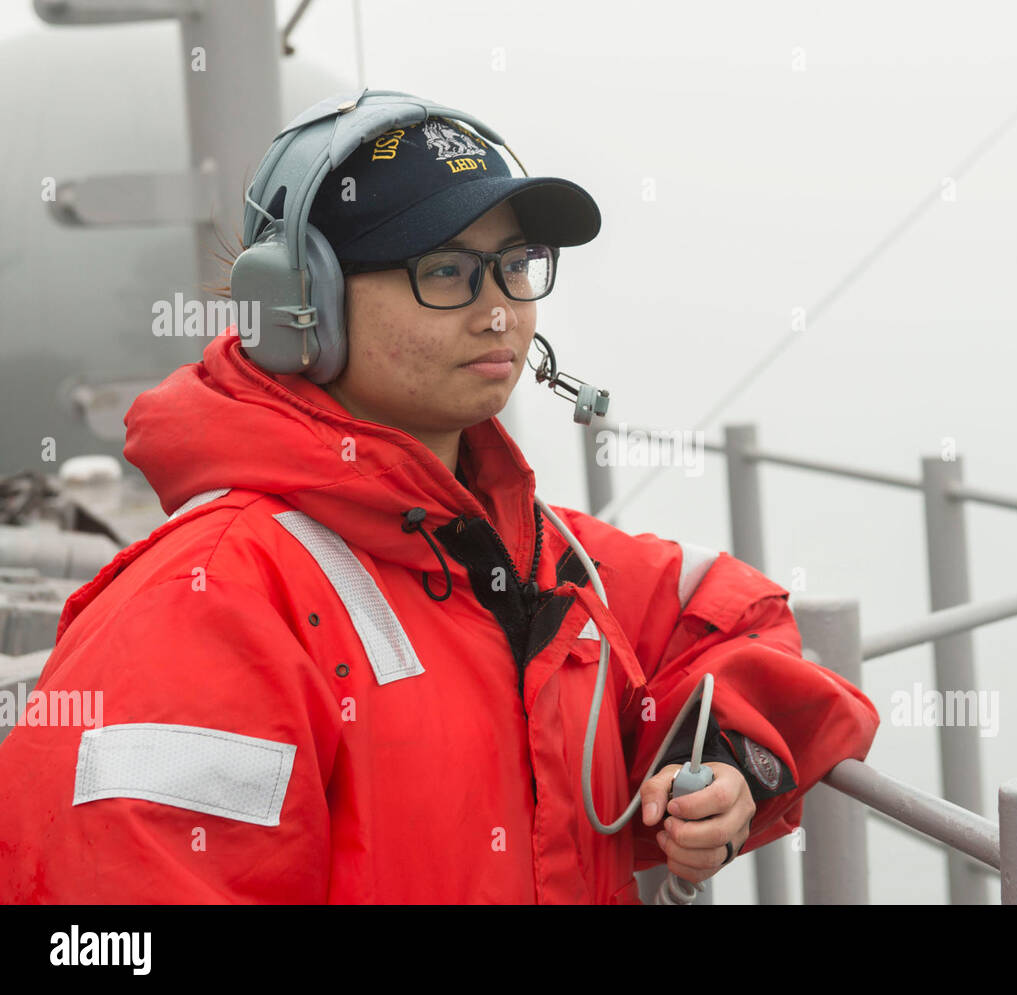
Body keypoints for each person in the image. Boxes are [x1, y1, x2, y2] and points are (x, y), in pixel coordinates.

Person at [0, 92, 880, 904]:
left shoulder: (540, 562)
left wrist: (726, 760)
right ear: (303, 303)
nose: (498, 309)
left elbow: (740, 618)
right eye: (447, 270)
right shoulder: (209, 601)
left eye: (515, 265)